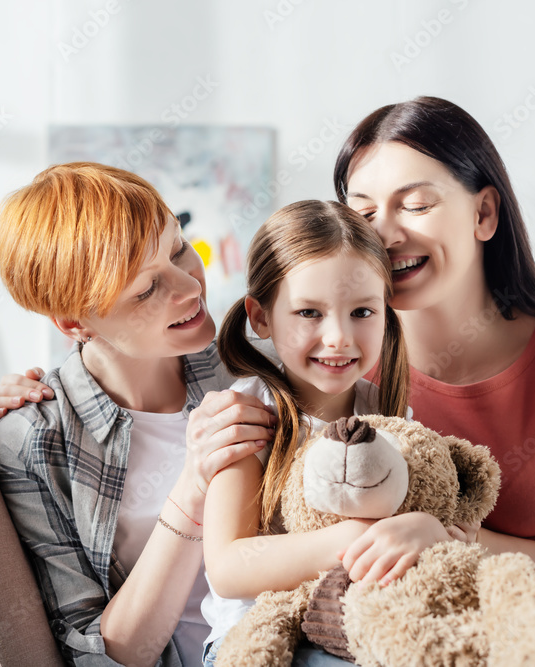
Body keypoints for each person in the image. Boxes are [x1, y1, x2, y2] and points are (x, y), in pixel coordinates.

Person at [0, 98, 535, 664]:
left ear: (485, 211)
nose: (188, 290)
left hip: (522, 619)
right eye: (366, 210)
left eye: (183, 252)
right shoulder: (259, 387)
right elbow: (190, 592)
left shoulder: (347, 377)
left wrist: (443, 534)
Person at [0, 161, 279, 667]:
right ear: (75, 322)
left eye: (179, 248)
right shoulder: (34, 440)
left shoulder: (256, 356)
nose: (190, 287)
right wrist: (193, 486)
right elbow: (106, 655)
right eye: (145, 290)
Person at [199, 199, 471, 666]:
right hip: (259, 639)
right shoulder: (248, 413)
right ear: (261, 316)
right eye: (309, 313)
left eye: (362, 312)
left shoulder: (388, 413)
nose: (339, 337)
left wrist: (430, 531)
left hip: (357, 624)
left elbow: (448, 522)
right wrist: (367, 535)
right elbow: (227, 568)